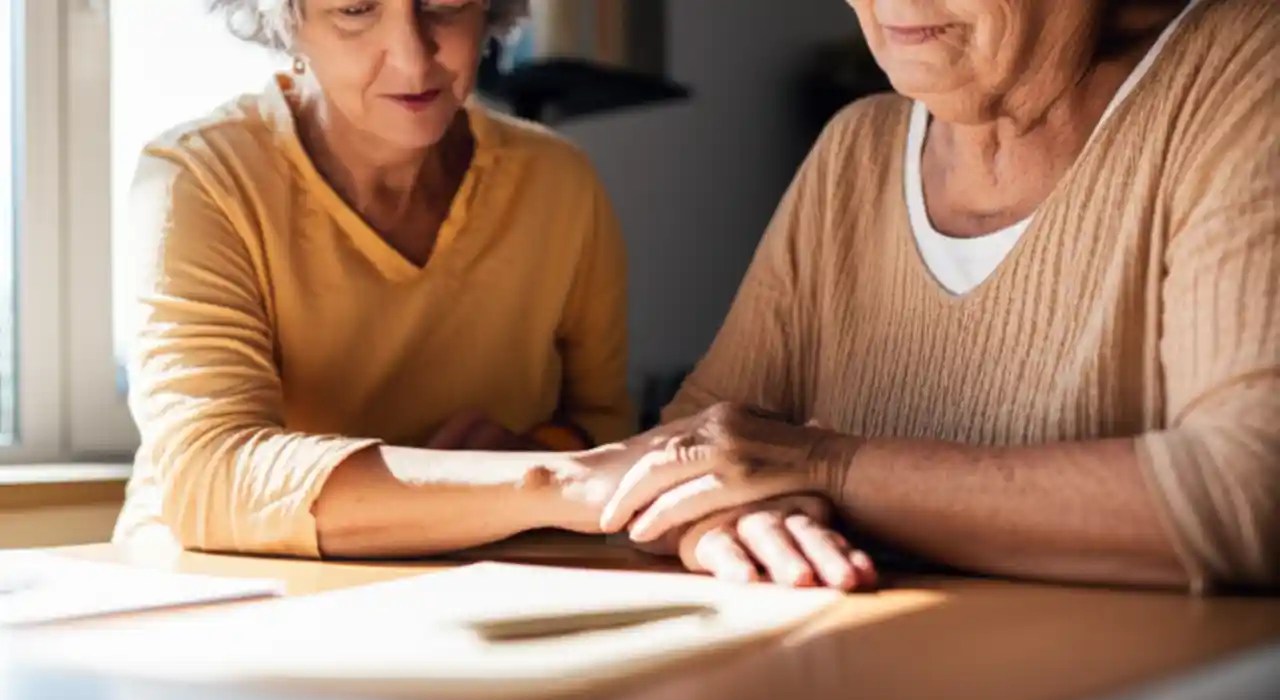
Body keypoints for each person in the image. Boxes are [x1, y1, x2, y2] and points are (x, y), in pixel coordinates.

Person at [114, 0, 871, 589]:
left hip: (477, 593)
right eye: (353, 10)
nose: (413, 55)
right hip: (222, 602)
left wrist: (530, 457)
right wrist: (553, 480)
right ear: (290, 21)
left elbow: (599, 423)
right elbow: (210, 473)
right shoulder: (199, 181)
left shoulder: (559, 185)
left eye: (446, 5)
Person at [598, 0, 1279, 593]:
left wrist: (827, 469)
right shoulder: (855, 152)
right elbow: (688, 452)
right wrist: (733, 517)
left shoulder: (1246, 68)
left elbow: (1249, 489)